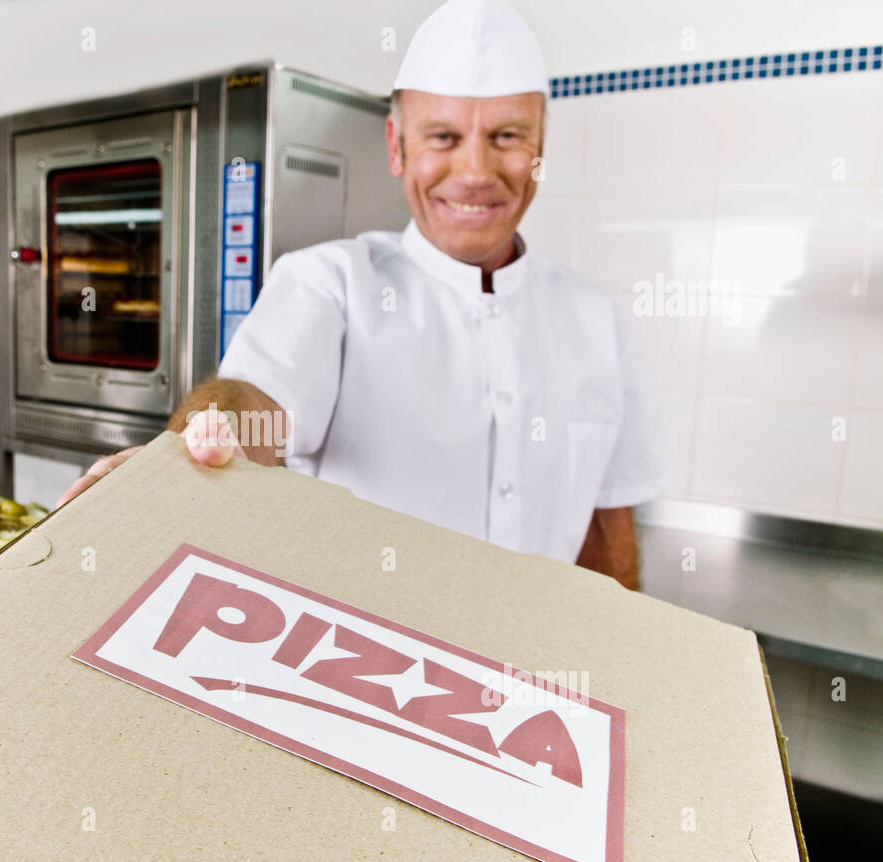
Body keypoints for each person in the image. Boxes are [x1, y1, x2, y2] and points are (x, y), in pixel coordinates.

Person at [58, 0, 670, 590]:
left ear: (539, 150)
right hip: (364, 672)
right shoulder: (332, 283)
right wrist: (188, 453)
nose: (477, 172)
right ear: (396, 147)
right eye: (443, 137)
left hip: (538, 671)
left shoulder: (596, 319)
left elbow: (607, 517)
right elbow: (253, 400)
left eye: (508, 136)